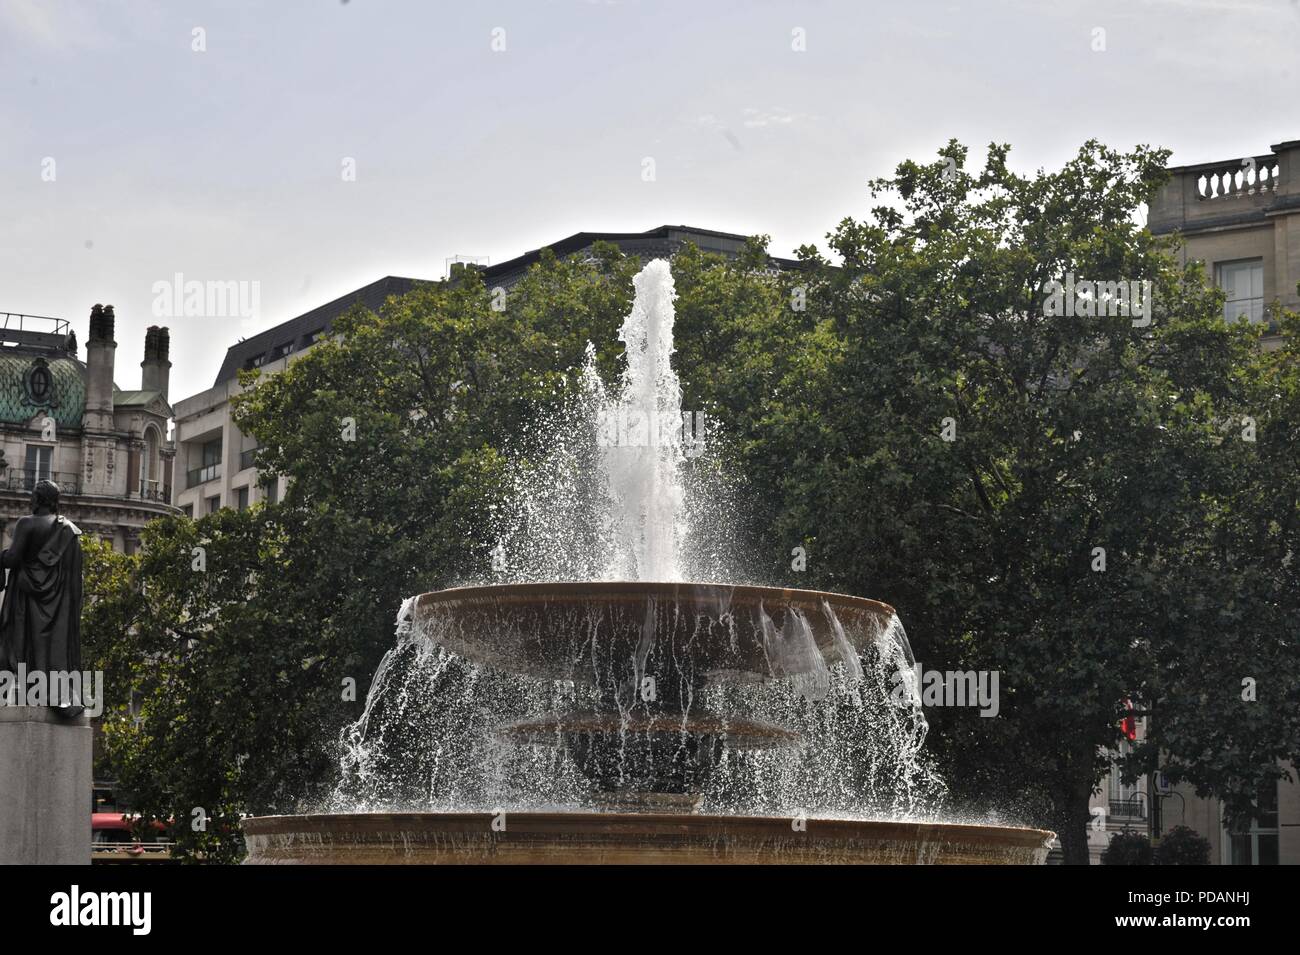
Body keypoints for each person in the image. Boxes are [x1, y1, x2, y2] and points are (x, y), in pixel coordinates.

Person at [0, 479, 84, 714]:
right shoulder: (68, 530)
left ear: (37, 500)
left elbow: (13, 559)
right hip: (57, 605)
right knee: (47, 646)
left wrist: (1, 557)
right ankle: (53, 691)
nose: (30, 499)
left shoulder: (27, 523)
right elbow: (73, 577)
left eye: (33, 496)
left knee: (20, 642)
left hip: (26, 601)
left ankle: (27, 690)